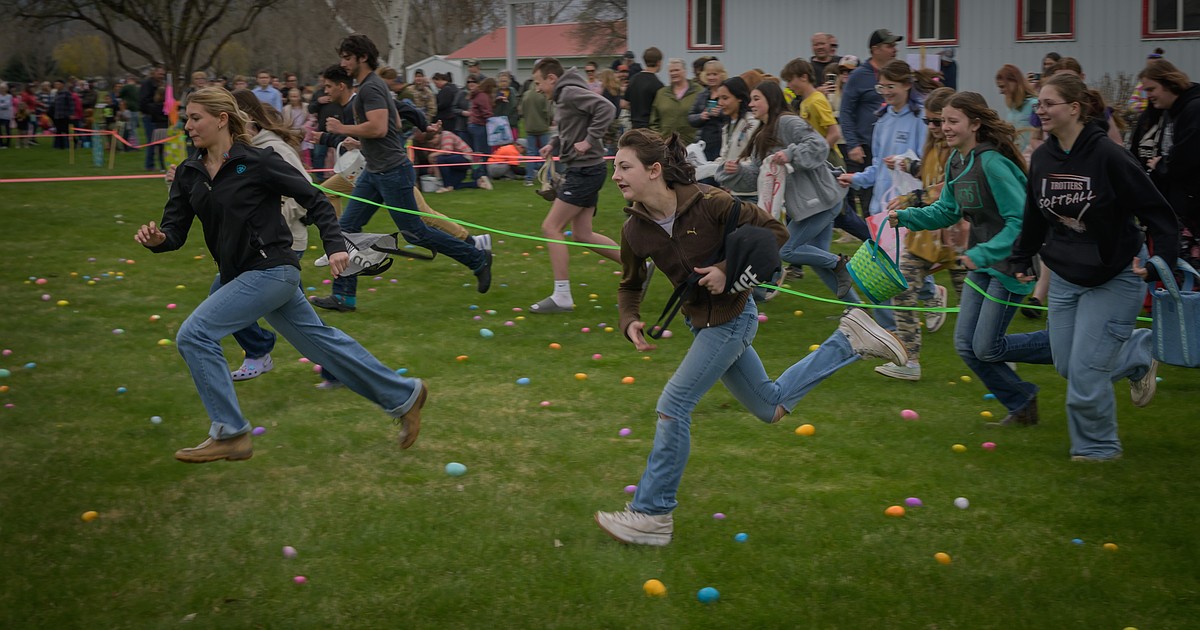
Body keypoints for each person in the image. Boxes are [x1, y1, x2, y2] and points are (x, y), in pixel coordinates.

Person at [593, 129, 906, 546]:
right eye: (615, 167)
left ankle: (652, 515)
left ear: (654, 171)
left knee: (674, 404)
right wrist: (629, 318)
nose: (615, 175)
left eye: (623, 166)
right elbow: (630, 284)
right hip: (700, 323)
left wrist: (725, 268)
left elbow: (775, 235)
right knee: (770, 407)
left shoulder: (712, 203)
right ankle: (848, 340)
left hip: (733, 318)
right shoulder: (636, 228)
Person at [134, 87, 428, 462]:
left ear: (221, 119)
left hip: (273, 270)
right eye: (187, 118)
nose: (188, 125)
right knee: (323, 345)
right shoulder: (189, 173)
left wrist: (335, 244)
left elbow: (316, 198)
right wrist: (157, 239)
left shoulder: (257, 161)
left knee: (195, 334)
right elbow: (173, 232)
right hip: (240, 275)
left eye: (195, 117)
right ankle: (405, 394)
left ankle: (230, 432)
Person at [1006, 73, 1179, 460]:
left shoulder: (1109, 156)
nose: (1042, 110)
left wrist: (1159, 262)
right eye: (1039, 104)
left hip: (1114, 276)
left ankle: (1097, 449)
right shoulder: (1045, 158)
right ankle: (1138, 352)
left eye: (1049, 103)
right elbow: (1034, 213)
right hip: (1067, 275)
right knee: (1068, 365)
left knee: (1085, 371)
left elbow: (1158, 214)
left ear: (1074, 108)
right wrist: (1023, 256)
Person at [889, 91, 1047, 426]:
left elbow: (1020, 221)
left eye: (951, 121)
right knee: (966, 345)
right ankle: (1022, 402)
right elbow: (946, 211)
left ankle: (1064, 345)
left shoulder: (992, 163)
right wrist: (907, 216)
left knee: (987, 347)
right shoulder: (957, 162)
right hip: (983, 263)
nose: (943, 127)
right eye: (941, 120)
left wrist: (981, 253)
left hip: (1011, 266)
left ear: (975, 124)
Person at [310, 34, 492, 313]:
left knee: (416, 233)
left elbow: (380, 128)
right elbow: (393, 123)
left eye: (347, 57)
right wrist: (364, 143)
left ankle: (477, 259)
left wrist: (342, 129)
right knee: (345, 230)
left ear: (362, 57)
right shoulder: (372, 87)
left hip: (392, 172)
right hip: (374, 170)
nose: (342, 62)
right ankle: (343, 297)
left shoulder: (371, 88)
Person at [724, 81, 853, 299]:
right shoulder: (761, 134)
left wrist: (791, 154)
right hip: (805, 207)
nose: (751, 104)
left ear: (771, 100)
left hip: (822, 201)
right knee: (817, 261)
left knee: (786, 250)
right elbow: (756, 175)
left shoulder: (788, 122)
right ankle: (856, 309)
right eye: (751, 99)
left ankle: (840, 262)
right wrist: (734, 172)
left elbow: (819, 145)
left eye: (757, 99)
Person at [876, 87, 965, 381]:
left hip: (957, 239)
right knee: (902, 290)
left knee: (974, 302)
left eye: (939, 121)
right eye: (929, 121)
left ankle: (998, 354)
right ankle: (909, 361)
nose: (934, 127)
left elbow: (947, 189)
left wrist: (912, 198)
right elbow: (930, 175)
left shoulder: (962, 150)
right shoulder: (932, 146)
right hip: (924, 235)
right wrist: (906, 165)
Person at [529, 57, 620, 313]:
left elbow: (607, 109)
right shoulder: (563, 95)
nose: (537, 88)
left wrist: (590, 140)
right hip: (584, 169)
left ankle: (562, 296)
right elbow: (572, 125)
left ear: (551, 78)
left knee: (551, 227)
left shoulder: (568, 92)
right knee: (582, 234)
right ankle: (638, 268)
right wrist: (555, 144)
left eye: (539, 82)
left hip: (585, 171)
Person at [1129, 59, 1200, 266]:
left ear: (1169, 83)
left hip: (1193, 209)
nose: (1148, 96)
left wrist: (1161, 166)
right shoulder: (1169, 112)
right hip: (1181, 206)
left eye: (1151, 89)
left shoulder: (1194, 109)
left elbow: (1189, 156)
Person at [840, 29, 902, 217]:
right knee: (870, 201)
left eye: (895, 46)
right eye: (889, 46)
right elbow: (846, 111)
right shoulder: (859, 75)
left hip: (893, 149)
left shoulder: (898, 74)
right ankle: (873, 240)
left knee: (894, 200)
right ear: (875, 49)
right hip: (866, 148)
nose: (894, 50)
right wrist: (853, 144)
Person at [711, 77, 761, 201]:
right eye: (719, 99)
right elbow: (725, 156)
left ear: (739, 98)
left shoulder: (752, 123)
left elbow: (756, 158)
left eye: (725, 98)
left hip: (751, 193)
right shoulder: (727, 126)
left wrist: (737, 169)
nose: (720, 103)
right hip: (734, 191)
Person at [415, 126, 493, 191]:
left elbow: (447, 151)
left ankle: (446, 186)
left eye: (432, 142)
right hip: (456, 163)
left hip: (466, 158)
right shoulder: (439, 142)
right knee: (455, 185)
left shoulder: (446, 135)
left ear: (436, 136)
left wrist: (431, 155)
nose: (432, 145)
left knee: (441, 159)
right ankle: (479, 183)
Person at [650, 58, 700, 143]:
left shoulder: (699, 91)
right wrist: (659, 138)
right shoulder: (661, 93)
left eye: (677, 70)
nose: (674, 73)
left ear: (684, 71)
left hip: (692, 145)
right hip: (667, 145)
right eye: (671, 71)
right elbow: (654, 121)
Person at [995, 64, 1040, 155]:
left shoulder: (1034, 105)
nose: (1001, 91)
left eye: (1003, 86)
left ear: (1014, 82)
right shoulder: (1011, 108)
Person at [687, 59, 727, 161]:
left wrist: (720, 113)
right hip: (703, 143)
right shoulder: (701, 95)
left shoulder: (728, 94)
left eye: (715, 74)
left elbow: (735, 115)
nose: (711, 77)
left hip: (722, 143)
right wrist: (701, 116)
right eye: (708, 74)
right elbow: (690, 117)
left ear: (721, 75)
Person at [519, 77, 553, 187]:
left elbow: (522, 111)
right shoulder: (542, 95)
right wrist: (548, 122)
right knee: (546, 154)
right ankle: (547, 178)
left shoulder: (526, 95)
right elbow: (547, 112)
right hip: (542, 127)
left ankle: (529, 178)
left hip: (529, 128)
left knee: (530, 154)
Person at [625, 47, 664, 130]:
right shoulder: (658, 84)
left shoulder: (633, 79)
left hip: (634, 127)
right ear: (659, 62)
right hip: (649, 128)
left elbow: (624, 104)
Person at [138, 70, 166, 168]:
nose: (161, 76)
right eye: (159, 73)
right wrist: (154, 109)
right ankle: (149, 165)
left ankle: (161, 164)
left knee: (161, 144)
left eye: (163, 74)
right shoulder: (147, 84)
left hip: (158, 118)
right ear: (153, 73)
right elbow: (143, 102)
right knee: (152, 141)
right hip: (150, 116)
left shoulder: (161, 84)